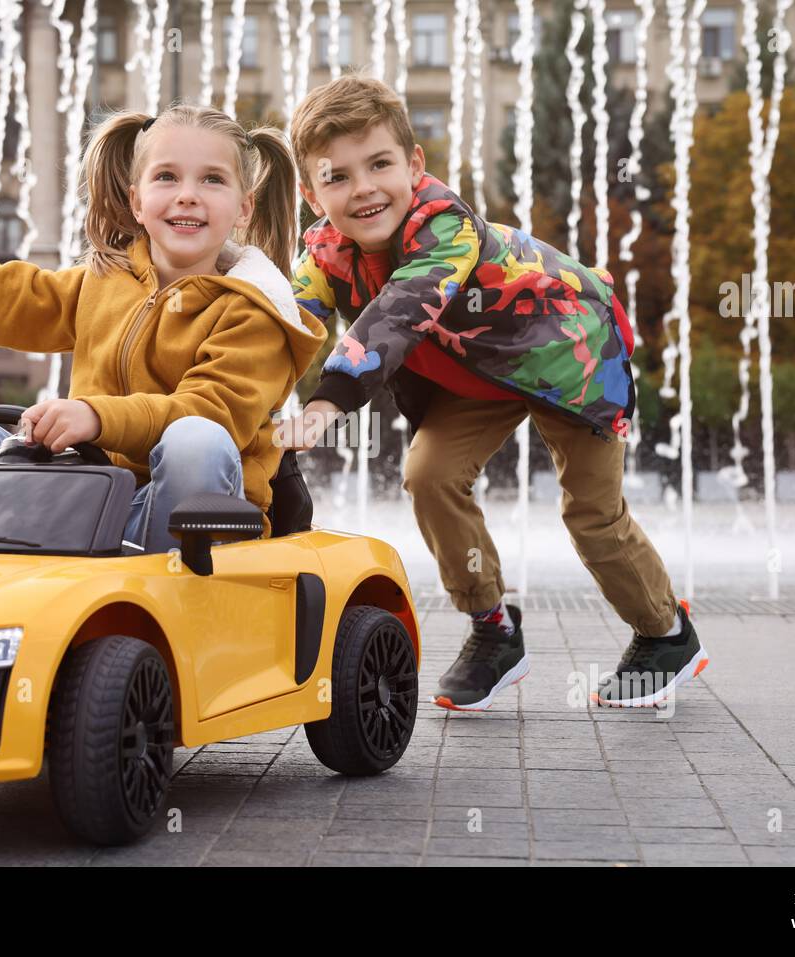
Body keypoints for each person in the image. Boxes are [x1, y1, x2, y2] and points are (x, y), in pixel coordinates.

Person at [278, 74, 707, 710]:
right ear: (313, 193)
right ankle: (492, 628)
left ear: (414, 165)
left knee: (590, 514)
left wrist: (327, 400)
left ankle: (666, 633)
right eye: (336, 177)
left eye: (379, 164)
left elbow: (403, 306)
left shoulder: (445, 225)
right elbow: (286, 321)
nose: (363, 188)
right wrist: (232, 388)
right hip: (481, 373)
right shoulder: (323, 251)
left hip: (568, 354)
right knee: (428, 476)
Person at [0, 105, 325, 554]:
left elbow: (209, 410)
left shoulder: (257, 311)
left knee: (197, 440)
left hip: (185, 517)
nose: (188, 195)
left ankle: (171, 601)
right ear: (137, 202)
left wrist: (94, 416)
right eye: (167, 177)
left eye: (212, 180)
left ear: (243, 208)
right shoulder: (100, 283)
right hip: (90, 500)